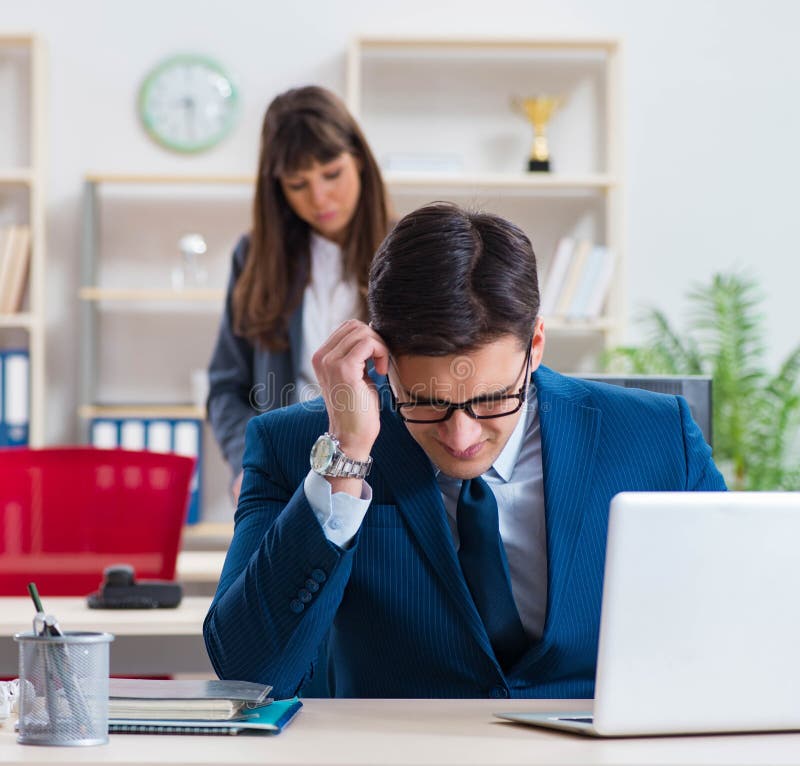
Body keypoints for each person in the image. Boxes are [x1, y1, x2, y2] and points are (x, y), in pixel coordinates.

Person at [204, 202, 726, 699]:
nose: (461, 436)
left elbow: (736, 621)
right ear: (381, 361)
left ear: (536, 346)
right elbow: (250, 674)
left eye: (494, 399)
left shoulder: (657, 437)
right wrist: (347, 457)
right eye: (427, 402)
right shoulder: (294, 446)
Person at [207, 85, 391, 503]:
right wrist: (245, 462)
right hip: (282, 475)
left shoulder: (405, 248)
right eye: (297, 184)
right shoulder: (253, 256)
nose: (319, 198)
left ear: (358, 160)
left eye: (331, 174)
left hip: (384, 479)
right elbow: (226, 388)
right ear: (278, 188)